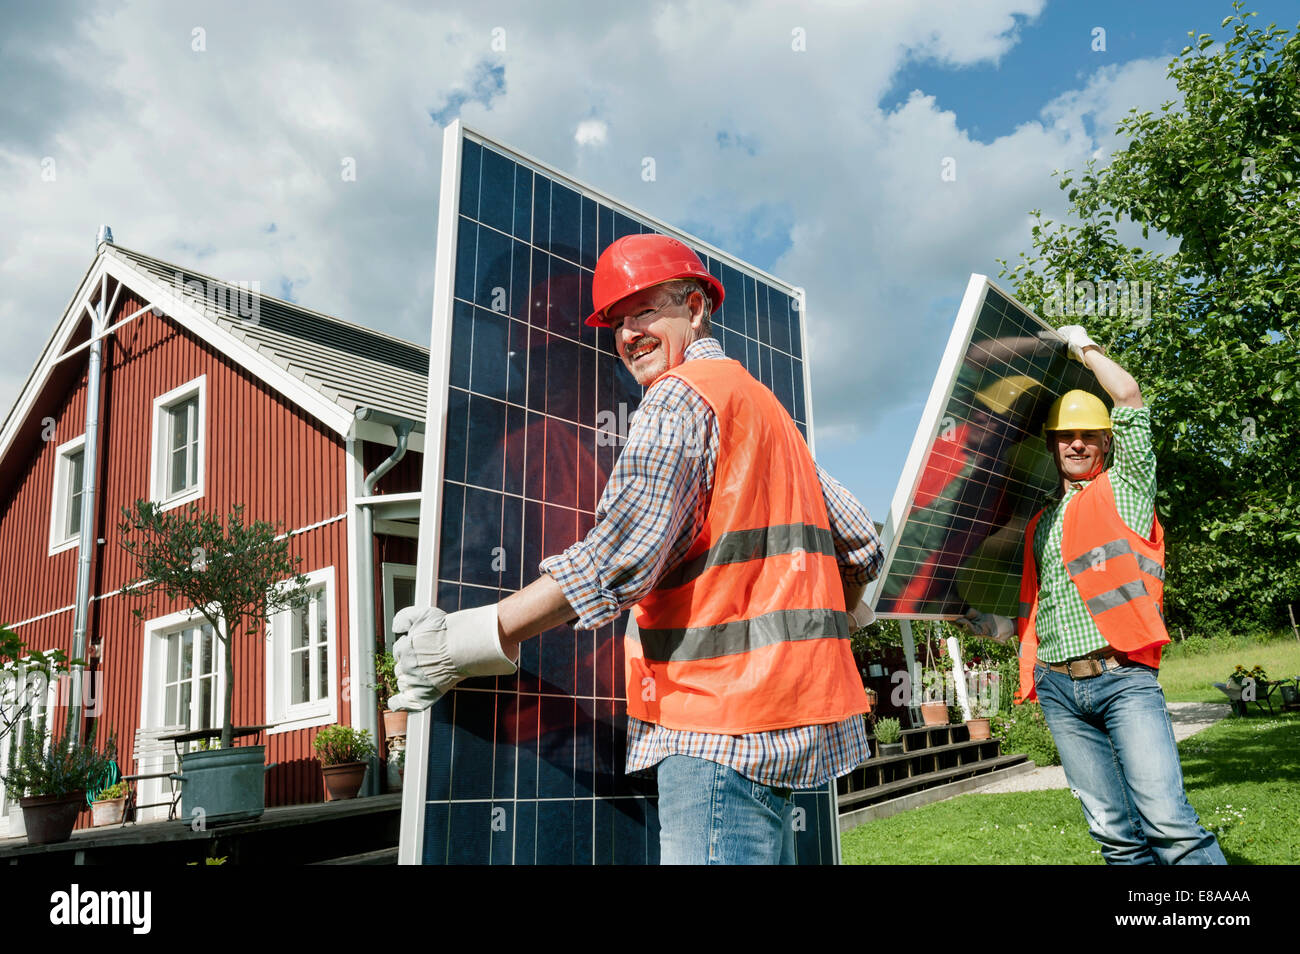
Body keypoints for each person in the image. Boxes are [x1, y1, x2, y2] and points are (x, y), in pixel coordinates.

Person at [390, 233, 882, 864]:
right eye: (617, 322)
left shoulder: (676, 398)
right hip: (786, 736)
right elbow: (862, 543)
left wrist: (470, 638)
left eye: (645, 310)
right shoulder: (764, 409)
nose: (629, 334)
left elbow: (618, 556)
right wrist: (823, 621)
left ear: (698, 306)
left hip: (712, 735)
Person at [958, 324, 1225, 865]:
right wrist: (993, 625)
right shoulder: (1041, 523)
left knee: (1171, 826)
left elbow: (1127, 396)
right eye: (1064, 436)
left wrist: (1081, 345)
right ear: (1053, 446)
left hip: (1123, 679)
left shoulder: (1124, 488)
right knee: (1116, 839)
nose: (1075, 443)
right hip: (1058, 689)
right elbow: (1044, 604)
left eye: (1087, 435)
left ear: (1106, 442)